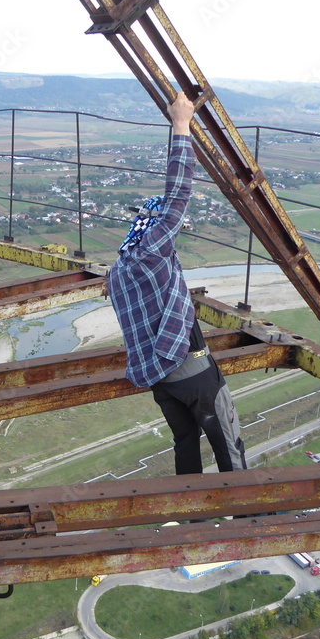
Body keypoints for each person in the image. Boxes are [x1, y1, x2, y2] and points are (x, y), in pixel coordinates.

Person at [106, 91, 247, 476]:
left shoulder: (117, 269)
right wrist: (181, 125)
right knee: (228, 444)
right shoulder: (154, 250)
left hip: (158, 380)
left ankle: (190, 514)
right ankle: (245, 510)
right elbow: (178, 193)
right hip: (192, 371)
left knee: (185, 443)